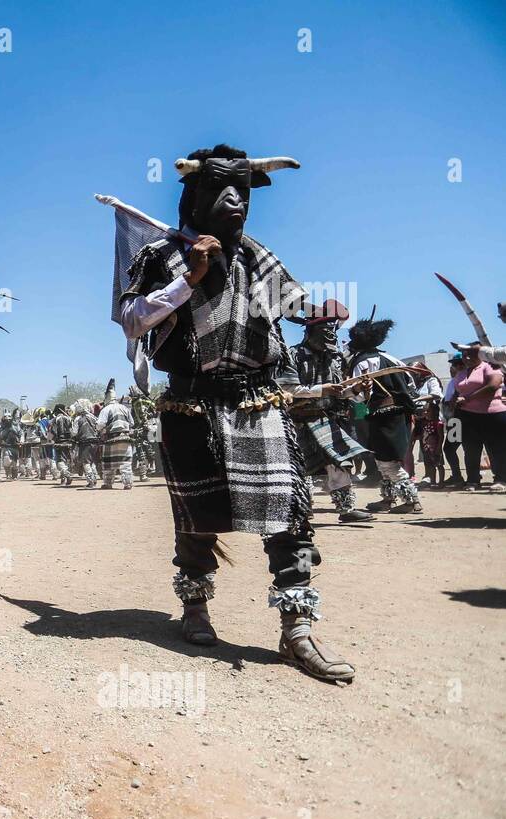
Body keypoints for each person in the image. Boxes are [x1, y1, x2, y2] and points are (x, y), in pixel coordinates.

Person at [117, 143, 352, 684]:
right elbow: (132, 320)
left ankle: (297, 631)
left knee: (288, 512)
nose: (234, 199)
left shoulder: (258, 257)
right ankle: (195, 609)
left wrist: (324, 324)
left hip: (256, 399)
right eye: (221, 188)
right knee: (197, 516)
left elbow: (299, 310)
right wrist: (190, 280)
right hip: (190, 402)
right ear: (195, 196)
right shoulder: (160, 258)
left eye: (242, 190)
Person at [285, 301, 374, 522]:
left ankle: (346, 509)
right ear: (310, 332)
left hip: (329, 420)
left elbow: (339, 392)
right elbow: (286, 388)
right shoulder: (292, 355)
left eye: (332, 332)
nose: (330, 337)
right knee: (301, 466)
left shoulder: (335, 359)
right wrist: (320, 390)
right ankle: (302, 509)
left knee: (339, 463)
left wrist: (356, 390)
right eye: (324, 332)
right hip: (299, 420)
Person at [346, 318, 423, 513]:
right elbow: (412, 388)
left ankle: (412, 500)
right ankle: (388, 499)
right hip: (399, 415)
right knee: (384, 461)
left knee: (387, 461)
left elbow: (359, 395)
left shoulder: (362, 362)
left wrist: (351, 400)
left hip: (382, 417)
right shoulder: (394, 359)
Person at [448, 343, 506, 491]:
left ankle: (500, 479)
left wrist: (467, 398)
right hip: (468, 417)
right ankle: (473, 480)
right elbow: (456, 392)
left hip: (492, 415)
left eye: (471, 354)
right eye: (464, 355)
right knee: (471, 449)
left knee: (496, 449)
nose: (467, 358)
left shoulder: (491, 367)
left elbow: (493, 386)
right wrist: (454, 403)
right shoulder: (461, 373)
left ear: (480, 354)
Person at [97, 392, 135, 490]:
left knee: (108, 463)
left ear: (106, 399)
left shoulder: (105, 409)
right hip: (125, 438)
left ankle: (108, 483)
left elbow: (100, 424)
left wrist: (101, 430)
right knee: (125, 462)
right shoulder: (124, 408)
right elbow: (132, 423)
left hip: (110, 439)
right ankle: (128, 483)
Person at [441, 355, 467, 487]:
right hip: (453, 420)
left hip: (458, 419)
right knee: (452, 449)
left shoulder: (464, 380)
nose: (456, 367)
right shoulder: (454, 380)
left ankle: (459, 477)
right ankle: (458, 476)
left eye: (459, 364)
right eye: (454, 364)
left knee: (450, 449)